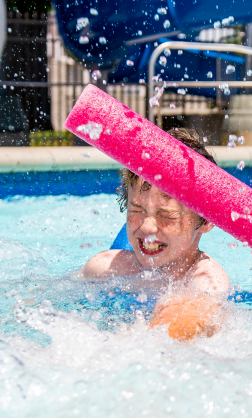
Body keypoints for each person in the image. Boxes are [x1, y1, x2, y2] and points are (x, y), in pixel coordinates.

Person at [80, 128, 230, 340]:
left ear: (205, 221)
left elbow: (187, 322)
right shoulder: (107, 267)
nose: (148, 227)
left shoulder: (205, 280)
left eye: (166, 215)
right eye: (137, 211)